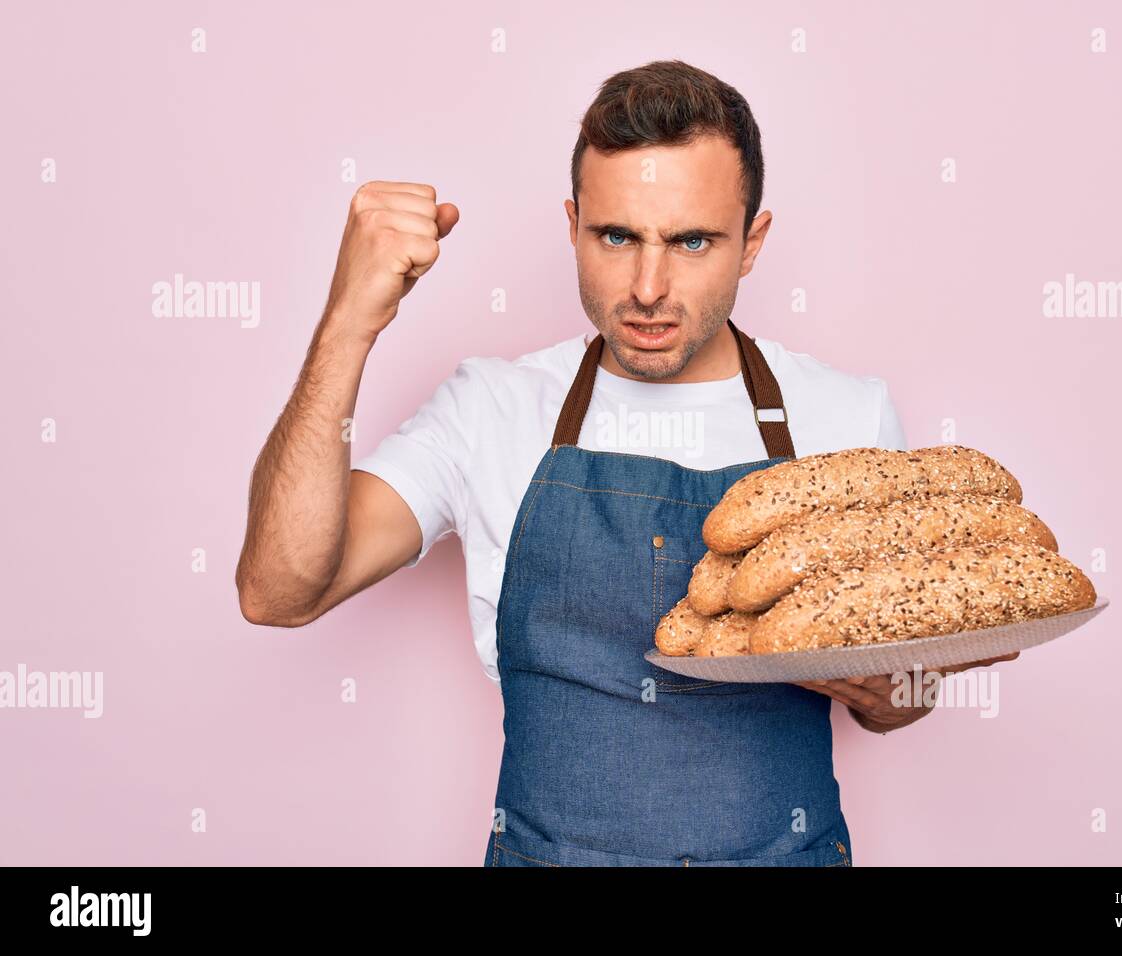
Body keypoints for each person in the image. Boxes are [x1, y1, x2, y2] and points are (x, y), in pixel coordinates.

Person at [236, 59, 1013, 867]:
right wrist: (347, 325)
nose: (647, 287)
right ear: (572, 225)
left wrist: (897, 692)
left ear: (752, 242)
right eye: (617, 236)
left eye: (692, 242)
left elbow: (901, 706)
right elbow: (280, 591)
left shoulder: (848, 419)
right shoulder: (490, 410)